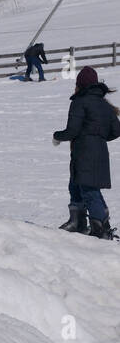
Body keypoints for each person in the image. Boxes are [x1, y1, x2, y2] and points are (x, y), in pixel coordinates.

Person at [53, 66, 120, 240]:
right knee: (77, 184)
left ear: (80, 85)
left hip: (84, 150)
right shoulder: (104, 105)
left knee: (89, 190)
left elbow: (72, 130)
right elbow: (116, 130)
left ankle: (100, 230)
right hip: (99, 151)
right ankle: (78, 221)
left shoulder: (79, 102)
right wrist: (98, 138)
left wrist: (57, 136)